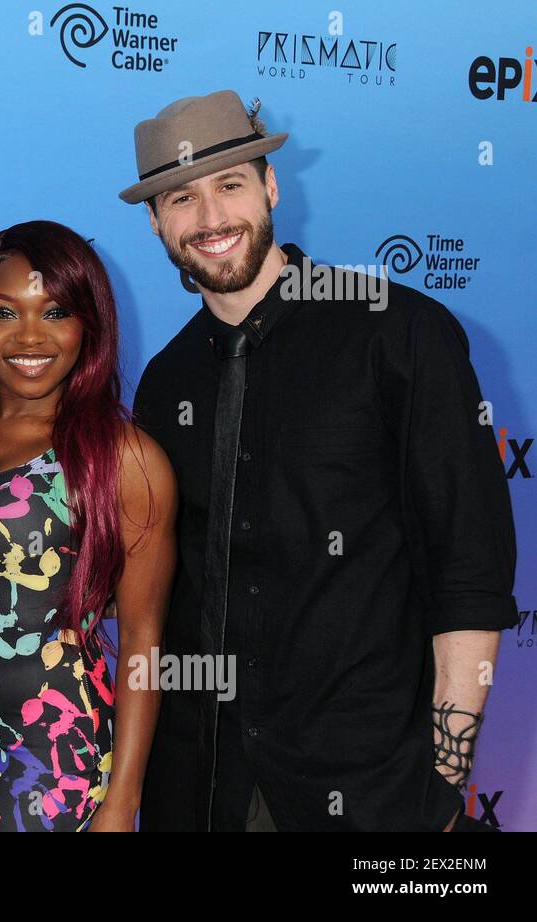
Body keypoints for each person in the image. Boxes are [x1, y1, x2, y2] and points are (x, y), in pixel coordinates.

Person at [121, 89, 519, 831]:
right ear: (155, 222)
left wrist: (440, 785)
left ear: (271, 184)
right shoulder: (168, 381)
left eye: (230, 185)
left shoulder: (399, 336)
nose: (210, 220)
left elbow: (469, 572)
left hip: (374, 792)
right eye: (181, 199)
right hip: (204, 786)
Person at [0, 221, 176, 831]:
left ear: (89, 323)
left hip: (54, 761)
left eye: (55, 311)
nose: (30, 336)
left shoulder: (126, 458)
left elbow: (142, 642)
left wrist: (122, 801)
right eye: (3, 312)